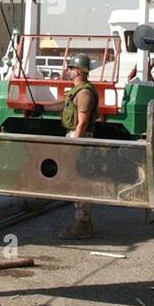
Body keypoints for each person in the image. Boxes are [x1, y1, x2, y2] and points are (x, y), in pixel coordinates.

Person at [59, 53, 99, 240]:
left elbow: (82, 122)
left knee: (80, 183)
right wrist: (41, 108)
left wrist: (75, 145)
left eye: (71, 68)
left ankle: (83, 223)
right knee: (75, 182)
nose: (68, 71)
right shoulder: (76, 91)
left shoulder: (84, 93)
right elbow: (61, 104)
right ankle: (83, 221)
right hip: (76, 138)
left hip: (80, 139)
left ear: (78, 71)